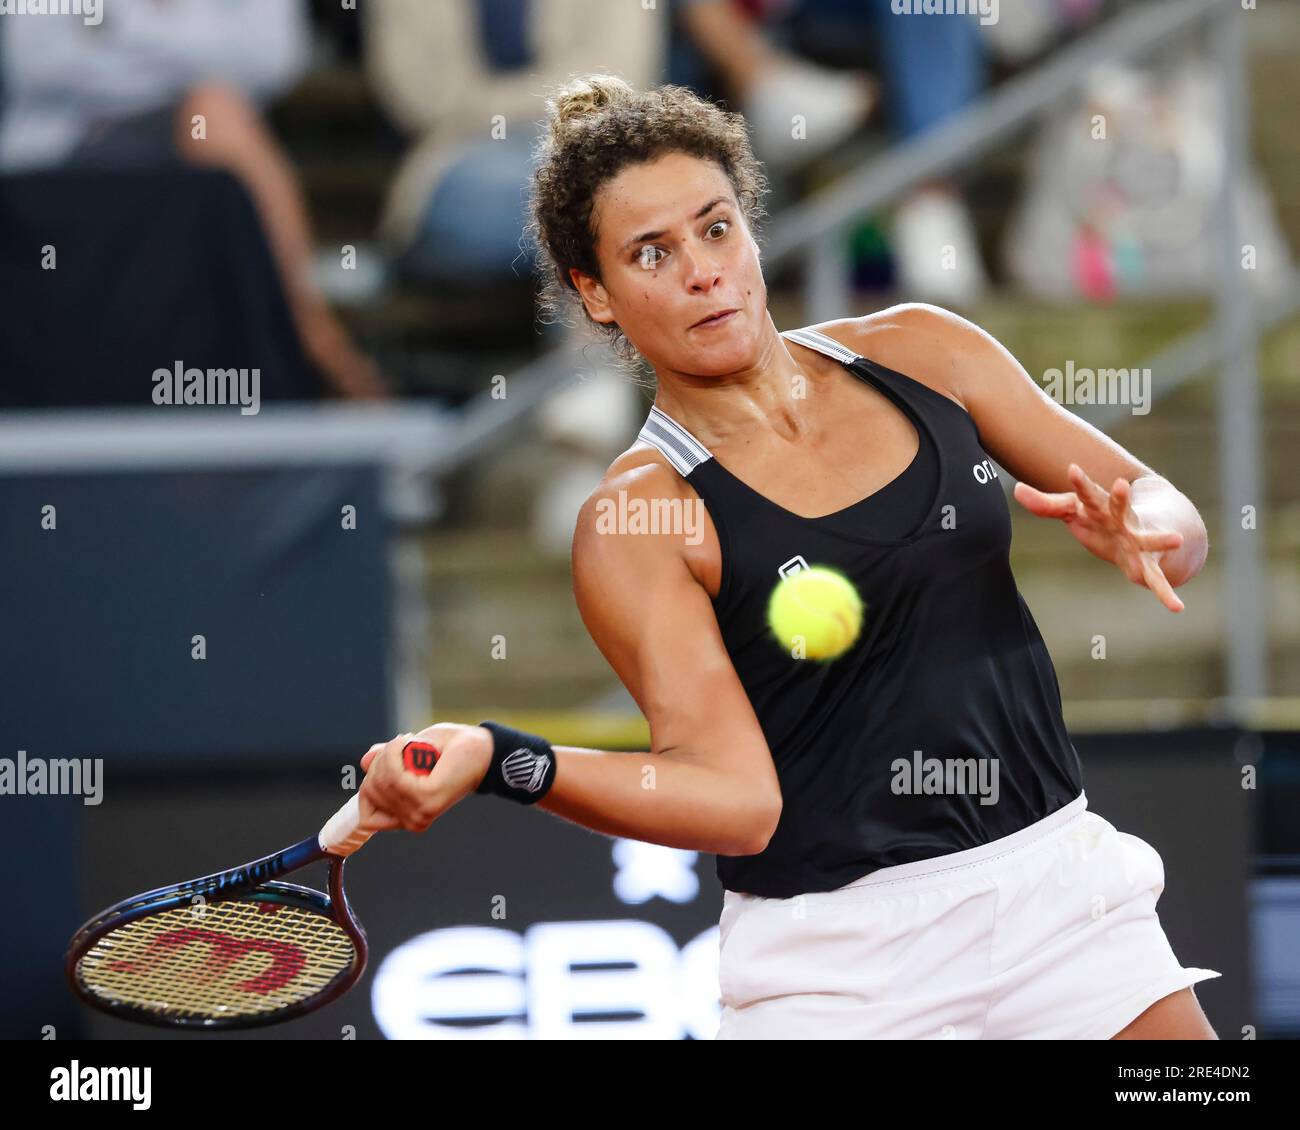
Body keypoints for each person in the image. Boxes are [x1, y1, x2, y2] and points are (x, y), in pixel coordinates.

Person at [357, 75, 1220, 1040]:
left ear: (752, 227)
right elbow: (738, 805)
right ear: (594, 295)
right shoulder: (641, 518)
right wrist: (504, 759)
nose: (702, 271)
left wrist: (1152, 529)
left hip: (1060, 895)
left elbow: (1164, 511)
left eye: (716, 227)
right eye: (653, 253)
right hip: (839, 971)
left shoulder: (926, 350)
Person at [0, 0, 385, 399]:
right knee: (215, 110)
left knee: (212, 112)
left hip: (199, 156)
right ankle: (318, 336)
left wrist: (115, 32)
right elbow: (34, 58)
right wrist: (189, 51)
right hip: (61, 156)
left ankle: (314, 339)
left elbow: (274, 59)